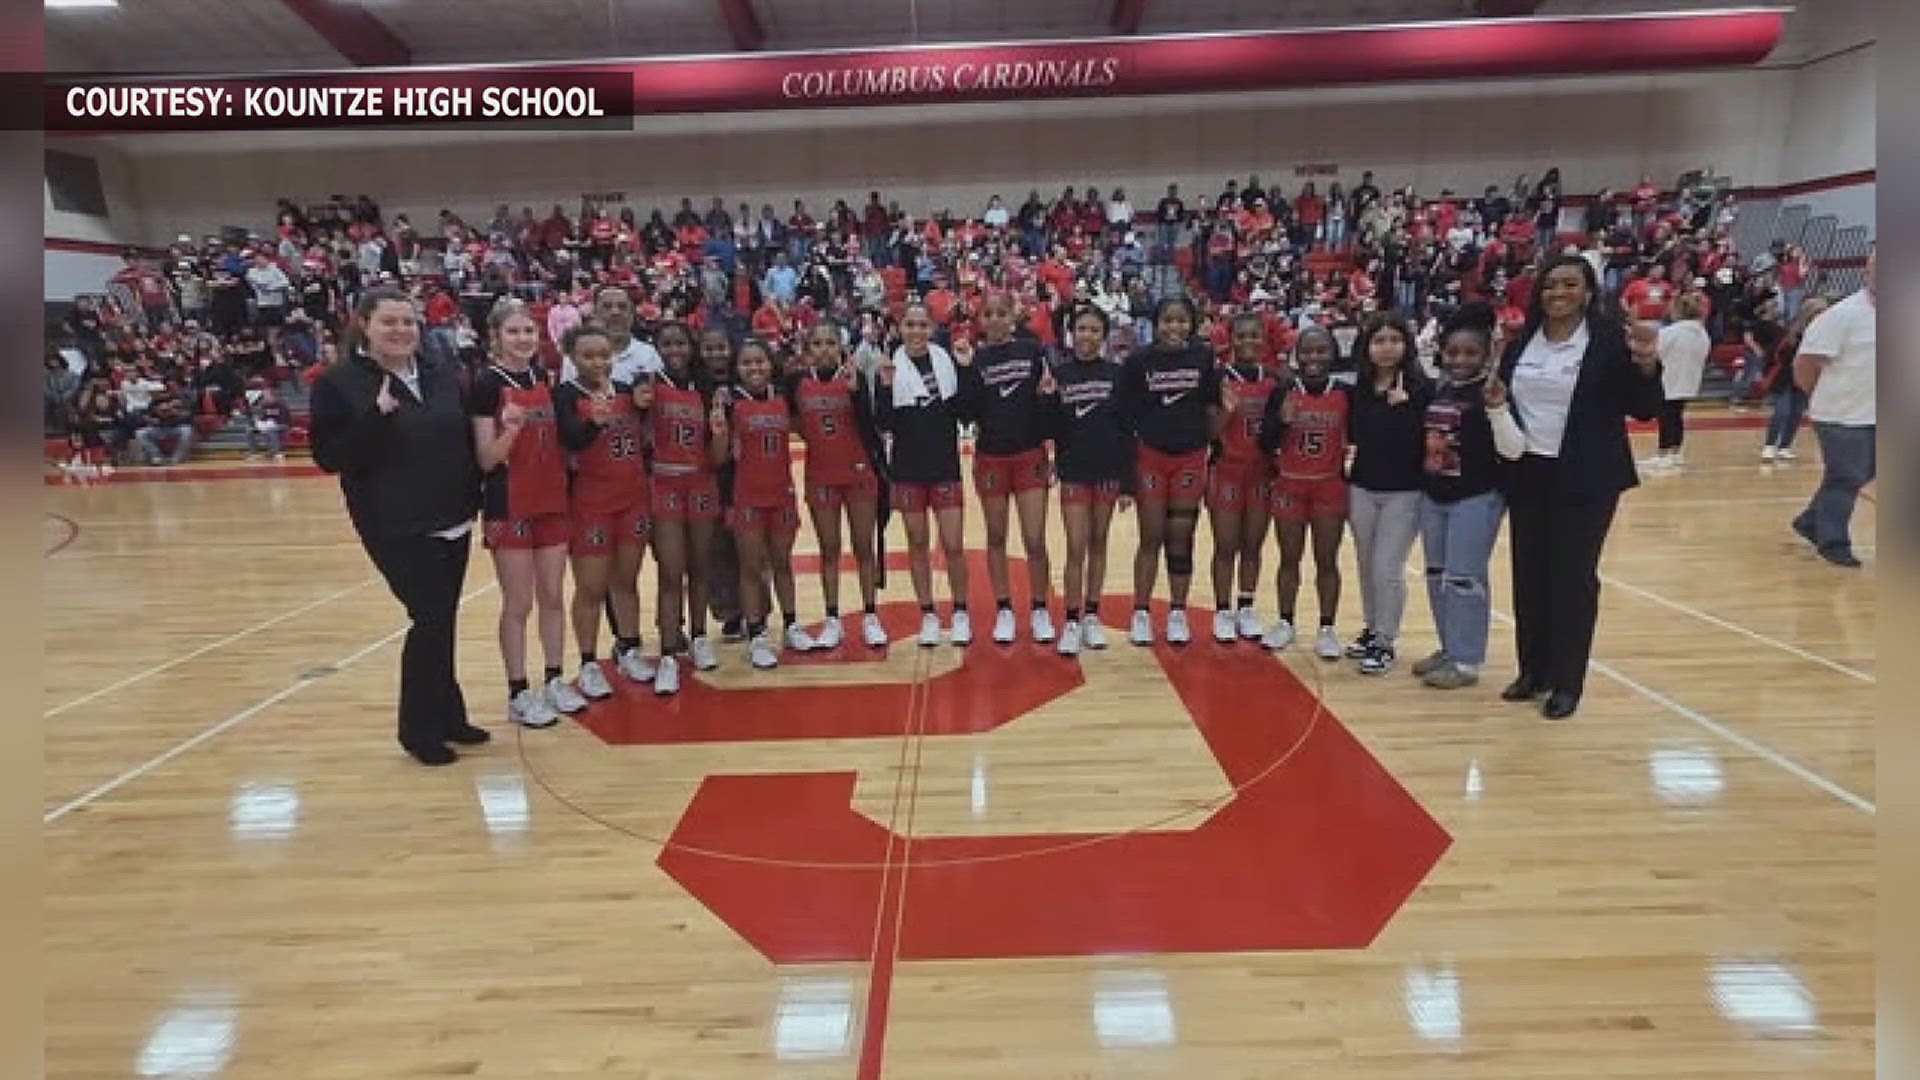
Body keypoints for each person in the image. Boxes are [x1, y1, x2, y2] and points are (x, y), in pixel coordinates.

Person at [310, 285, 484, 766]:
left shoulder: (441, 373)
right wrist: (376, 419)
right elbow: (330, 458)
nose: (401, 330)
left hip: (452, 517)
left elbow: (461, 441)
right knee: (429, 619)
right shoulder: (338, 383)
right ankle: (418, 731)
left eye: (408, 321)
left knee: (443, 620)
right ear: (364, 325)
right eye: (389, 321)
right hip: (396, 524)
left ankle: (449, 716)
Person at [1499, 255, 1663, 720]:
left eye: (1570, 284)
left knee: (1572, 578)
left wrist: (1647, 364)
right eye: (1551, 284)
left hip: (1587, 475)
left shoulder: (1610, 341)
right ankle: (1533, 670)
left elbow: (1644, 408)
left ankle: (1567, 682)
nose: (1559, 293)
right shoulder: (1523, 341)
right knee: (1530, 575)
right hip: (1529, 471)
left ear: (1589, 292)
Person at [471, 298, 588, 728]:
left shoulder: (544, 377)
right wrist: (511, 432)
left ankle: (555, 678)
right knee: (518, 603)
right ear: (496, 337)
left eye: (528, 331)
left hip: (551, 498)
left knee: (553, 596)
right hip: (510, 501)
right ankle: (518, 691)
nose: (522, 339)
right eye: (513, 331)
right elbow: (486, 459)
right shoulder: (486, 384)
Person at [1412, 303, 1527, 689]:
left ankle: (1466, 661)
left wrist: (1498, 410)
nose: (1460, 360)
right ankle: (1449, 646)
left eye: (1470, 353)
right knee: (1436, 575)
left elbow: (1514, 449)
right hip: (1435, 496)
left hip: (1476, 498)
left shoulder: (1492, 393)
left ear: (1486, 355)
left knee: (1464, 578)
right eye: (1453, 352)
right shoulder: (1441, 388)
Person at [551, 324, 657, 699]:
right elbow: (569, 439)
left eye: (603, 355)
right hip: (591, 504)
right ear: (572, 358)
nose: (597, 362)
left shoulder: (627, 392)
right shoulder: (565, 395)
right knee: (591, 588)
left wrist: (646, 400)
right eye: (588, 356)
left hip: (633, 499)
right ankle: (588, 663)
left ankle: (629, 648)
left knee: (626, 581)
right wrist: (593, 423)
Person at [1116, 296, 1222, 646]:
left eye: (1181, 320)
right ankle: (1141, 612)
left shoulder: (1204, 358)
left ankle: (1178, 612)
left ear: (1191, 324)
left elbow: (1212, 408)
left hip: (1190, 457)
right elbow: (1124, 415)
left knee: (1182, 536)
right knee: (1150, 536)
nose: (1174, 327)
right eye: (1167, 320)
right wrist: (1126, 476)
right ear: (1156, 324)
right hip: (1151, 456)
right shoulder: (1138, 361)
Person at [955, 292, 1055, 643]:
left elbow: (1046, 403)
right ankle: (1004, 609)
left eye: (1001, 313)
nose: (995, 319)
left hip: (1029, 454)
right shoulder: (975, 358)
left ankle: (1040, 608)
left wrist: (1047, 404)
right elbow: (967, 413)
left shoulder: (1032, 351)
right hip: (991, 456)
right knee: (996, 536)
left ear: (1012, 318)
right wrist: (965, 370)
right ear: (980, 321)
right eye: (989, 314)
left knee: (1034, 539)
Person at [874, 302, 973, 646]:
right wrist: (886, 387)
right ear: (899, 329)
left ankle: (961, 612)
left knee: (954, 544)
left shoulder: (947, 361)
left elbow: (965, 413)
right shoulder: (889, 367)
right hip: (908, 468)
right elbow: (884, 423)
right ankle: (928, 614)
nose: (916, 331)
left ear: (932, 328)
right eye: (910, 325)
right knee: (917, 543)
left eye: (922, 325)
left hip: (945, 465)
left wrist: (967, 370)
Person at [715, 337, 817, 667]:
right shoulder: (730, 402)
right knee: (751, 568)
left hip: (781, 492)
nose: (754, 368)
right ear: (737, 368)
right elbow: (719, 458)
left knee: (782, 563)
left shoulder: (784, 397)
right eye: (746, 363)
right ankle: (757, 634)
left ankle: (791, 625)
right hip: (747, 495)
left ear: (770, 365)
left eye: (759, 361)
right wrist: (719, 433)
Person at [789, 323, 890, 649]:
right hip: (821, 475)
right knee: (829, 549)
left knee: (863, 547)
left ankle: (870, 615)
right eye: (817, 343)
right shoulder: (797, 384)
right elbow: (794, 422)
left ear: (841, 347)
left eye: (830, 343)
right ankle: (833, 618)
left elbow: (873, 428)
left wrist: (857, 393)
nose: (824, 349)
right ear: (808, 351)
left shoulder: (854, 378)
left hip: (858, 472)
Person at [1344, 313, 1432, 674]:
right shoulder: (1359, 389)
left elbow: (1426, 440)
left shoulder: (1422, 389)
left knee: (1387, 567)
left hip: (1405, 491)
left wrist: (1406, 408)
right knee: (1367, 565)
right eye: (1379, 341)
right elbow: (1356, 434)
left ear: (1406, 345)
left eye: (1394, 340)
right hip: (1363, 487)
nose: (1387, 348)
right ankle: (1372, 627)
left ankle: (1385, 639)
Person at [1043, 305, 1132, 656]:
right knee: (1075, 546)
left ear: (1104, 336)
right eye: (1082, 329)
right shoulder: (1059, 374)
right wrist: (1046, 399)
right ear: (1071, 333)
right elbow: (1051, 427)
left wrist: (1127, 482)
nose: (1087, 336)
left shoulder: (1117, 375)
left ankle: (1092, 615)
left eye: (1095, 330)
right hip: (1074, 471)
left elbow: (1126, 430)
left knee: (1098, 543)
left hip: (1108, 471)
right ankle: (1071, 620)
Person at [1256, 326, 1349, 658]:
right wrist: (1281, 422)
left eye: (1321, 350)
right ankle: (1286, 622)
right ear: (1297, 356)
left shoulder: (1345, 393)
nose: (1314, 357)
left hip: (1329, 484)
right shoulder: (1284, 391)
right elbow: (1265, 442)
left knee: (1327, 560)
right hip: (1290, 484)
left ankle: (1327, 628)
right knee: (1289, 558)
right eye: (1307, 351)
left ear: (1333, 353)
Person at [643, 322, 724, 694]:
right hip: (664, 482)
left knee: (700, 566)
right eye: (667, 343)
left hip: (701, 481)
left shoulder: (705, 389)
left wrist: (720, 433)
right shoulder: (649, 386)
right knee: (670, 571)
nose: (675, 350)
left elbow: (717, 457)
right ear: (657, 348)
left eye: (680, 343)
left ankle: (700, 635)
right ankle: (668, 652)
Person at [1791, 251, 1876, 568]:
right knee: (1846, 475)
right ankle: (1833, 541)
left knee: (1864, 472)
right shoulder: (1841, 316)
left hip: (1876, 412)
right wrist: (1819, 396)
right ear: (1868, 272)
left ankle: (1811, 520)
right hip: (1839, 414)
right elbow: (1805, 363)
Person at [1205, 314, 1277, 643]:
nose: (1249, 341)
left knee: (1252, 545)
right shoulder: (1218, 379)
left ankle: (1246, 606)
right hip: (1227, 470)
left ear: (1264, 339)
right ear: (1231, 340)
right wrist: (1226, 412)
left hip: (1261, 472)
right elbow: (1207, 433)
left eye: (1255, 335)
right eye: (1242, 336)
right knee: (1225, 546)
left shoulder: (1275, 381)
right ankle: (1222, 610)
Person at [1642, 292, 1710, 471]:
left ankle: (1664, 453)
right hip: (1688, 380)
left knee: (1666, 417)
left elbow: (1655, 352)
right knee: (1676, 416)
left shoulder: (1670, 332)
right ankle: (1675, 452)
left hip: (1668, 379)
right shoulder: (1702, 333)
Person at [1760, 296, 1825, 462]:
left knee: (1796, 413)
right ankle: (1770, 445)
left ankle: (1785, 446)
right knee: (1782, 411)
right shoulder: (1790, 333)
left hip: (1804, 378)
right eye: (1818, 313)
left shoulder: (1822, 335)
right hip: (1784, 377)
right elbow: (1774, 354)